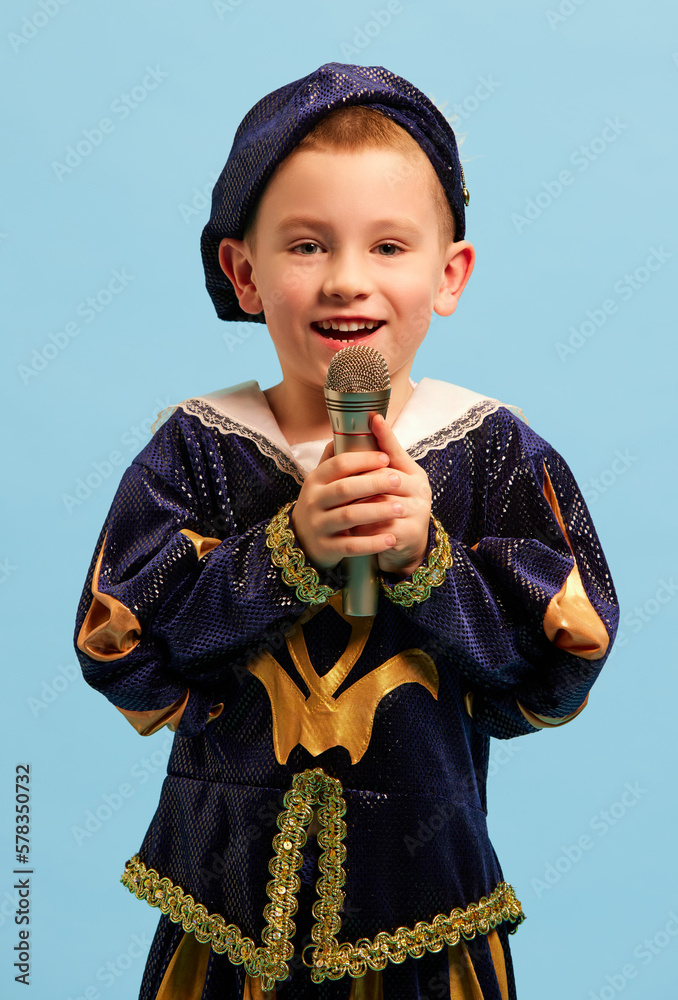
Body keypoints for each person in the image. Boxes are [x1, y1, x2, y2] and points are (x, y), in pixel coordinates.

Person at [73, 63, 619, 1000]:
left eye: (390, 247)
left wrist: (429, 565)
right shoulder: (197, 450)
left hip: (425, 910)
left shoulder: (490, 452)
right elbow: (122, 645)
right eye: (308, 246)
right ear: (243, 272)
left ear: (450, 275)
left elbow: (556, 669)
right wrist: (282, 556)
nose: (347, 281)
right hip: (226, 906)